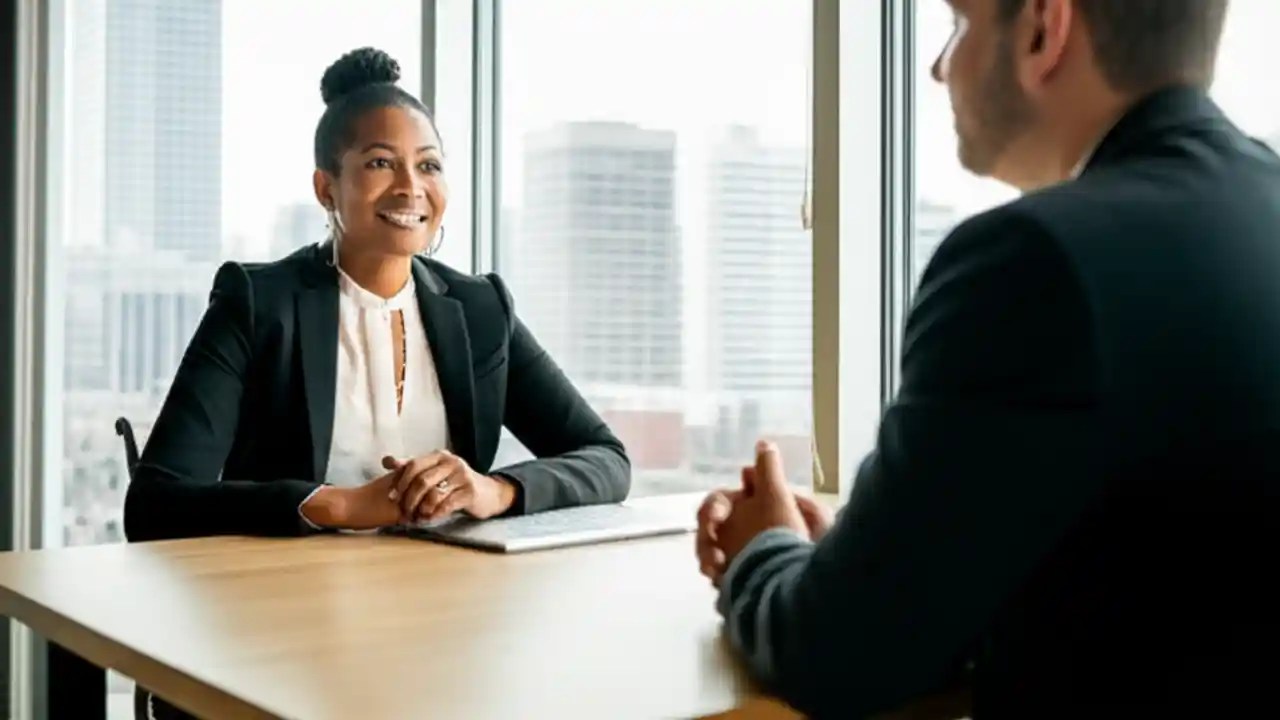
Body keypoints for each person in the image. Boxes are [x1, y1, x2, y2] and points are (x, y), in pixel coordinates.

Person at [697, 0, 1278, 716]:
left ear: (1043, 27)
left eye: (958, 25)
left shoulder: (1035, 262)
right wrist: (875, 554)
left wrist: (764, 549)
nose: (938, 69)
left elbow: (838, 653)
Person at [123, 47, 630, 544]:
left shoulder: (480, 309)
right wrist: (340, 504)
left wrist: (493, 490)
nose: (411, 186)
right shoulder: (258, 304)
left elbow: (606, 458)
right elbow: (156, 503)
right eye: (380, 163)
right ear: (326, 189)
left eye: (429, 166)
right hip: (288, 602)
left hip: (451, 598)